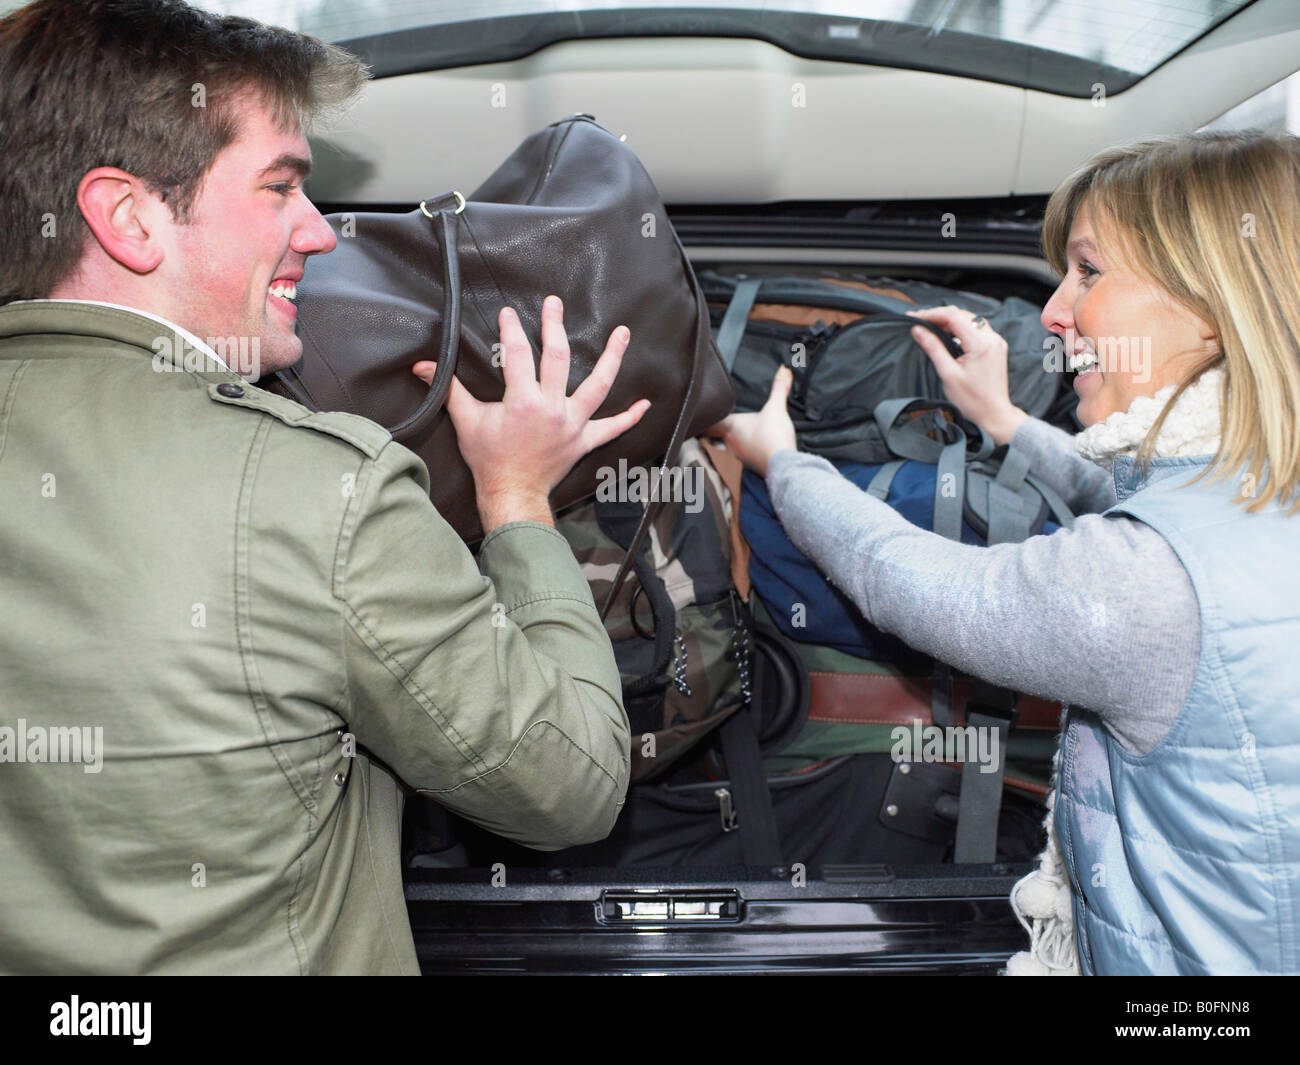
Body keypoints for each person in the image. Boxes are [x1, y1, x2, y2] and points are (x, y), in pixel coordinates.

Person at [0, 0, 646, 974]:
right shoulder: (314, 492)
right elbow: (572, 787)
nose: (321, 233)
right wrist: (516, 501)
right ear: (128, 216)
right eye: (280, 189)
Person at [716, 130, 1300, 976]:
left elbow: (902, 580)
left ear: (1211, 305)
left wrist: (783, 463)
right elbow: (1149, 503)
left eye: (1089, 271)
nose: (1054, 312)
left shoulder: (1146, 584)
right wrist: (1005, 422)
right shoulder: (1254, 489)